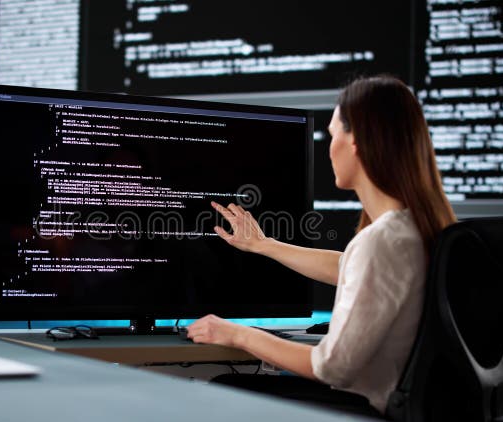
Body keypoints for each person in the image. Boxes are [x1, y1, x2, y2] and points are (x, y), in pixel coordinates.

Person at [186, 75, 457, 415]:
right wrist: (263, 244)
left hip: (369, 408)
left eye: (333, 135)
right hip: (406, 405)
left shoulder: (382, 241)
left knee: (223, 389)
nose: (329, 148)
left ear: (356, 141)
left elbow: (332, 367)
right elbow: (349, 267)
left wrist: (238, 334)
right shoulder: (414, 229)